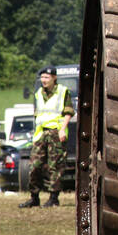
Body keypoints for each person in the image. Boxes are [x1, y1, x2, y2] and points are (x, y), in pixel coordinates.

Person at [22, 66, 73, 208]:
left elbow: (68, 112)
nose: (43, 80)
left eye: (46, 77)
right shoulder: (38, 93)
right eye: (42, 77)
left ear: (54, 78)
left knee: (55, 166)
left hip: (56, 132)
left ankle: (53, 198)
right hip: (41, 133)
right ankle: (34, 197)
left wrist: (63, 129)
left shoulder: (63, 91)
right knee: (34, 166)